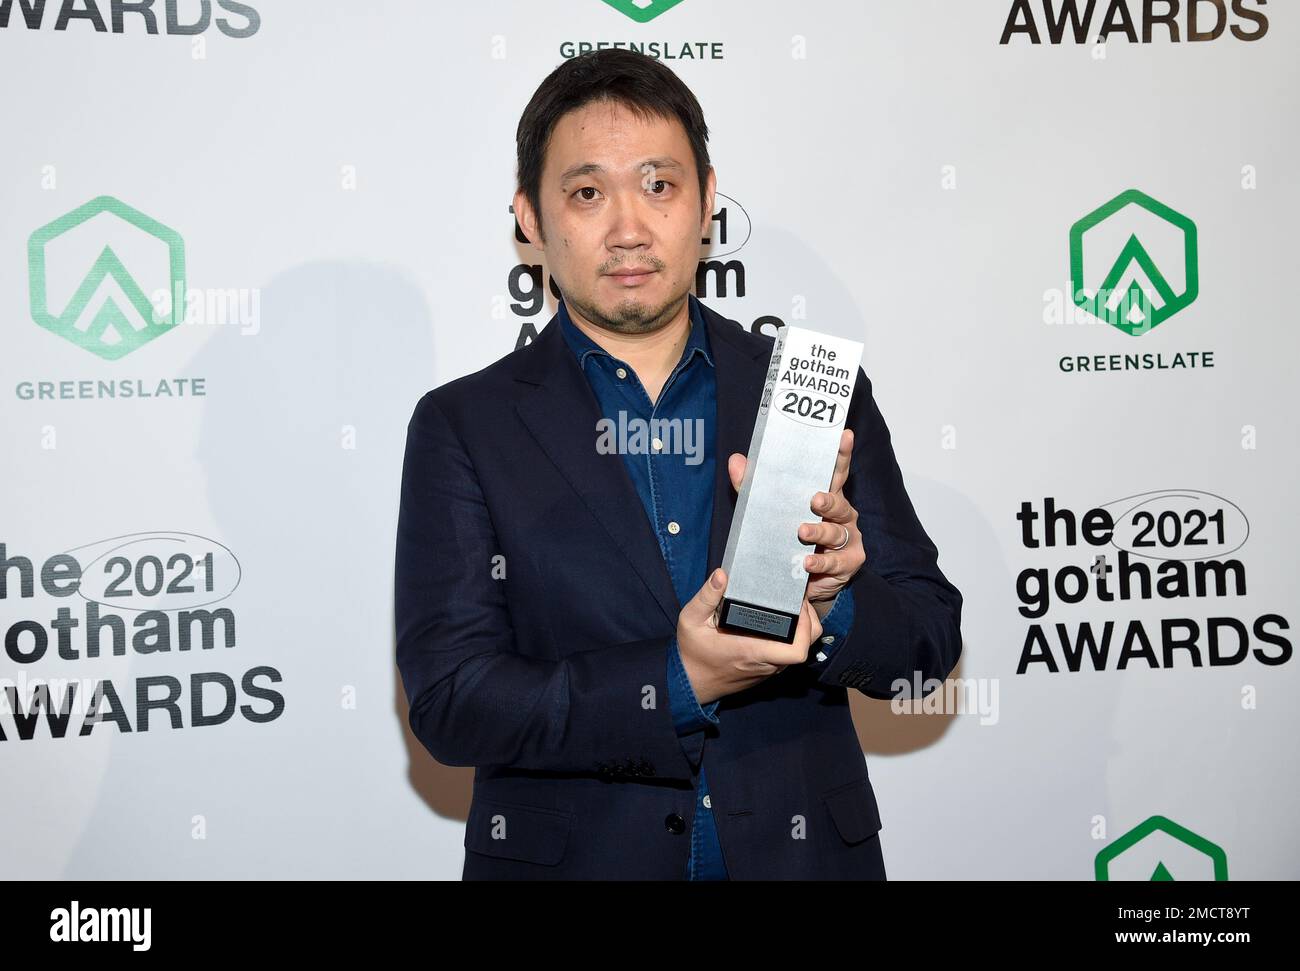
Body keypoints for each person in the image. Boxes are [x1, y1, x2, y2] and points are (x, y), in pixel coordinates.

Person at [394, 48, 963, 880]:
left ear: (705, 201)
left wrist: (837, 603)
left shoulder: (808, 388)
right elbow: (452, 700)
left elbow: (927, 643)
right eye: (587, 192)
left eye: (659, 185)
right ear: (530, 215)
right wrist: (677, 677)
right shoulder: (463, 424)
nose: (629, 227)